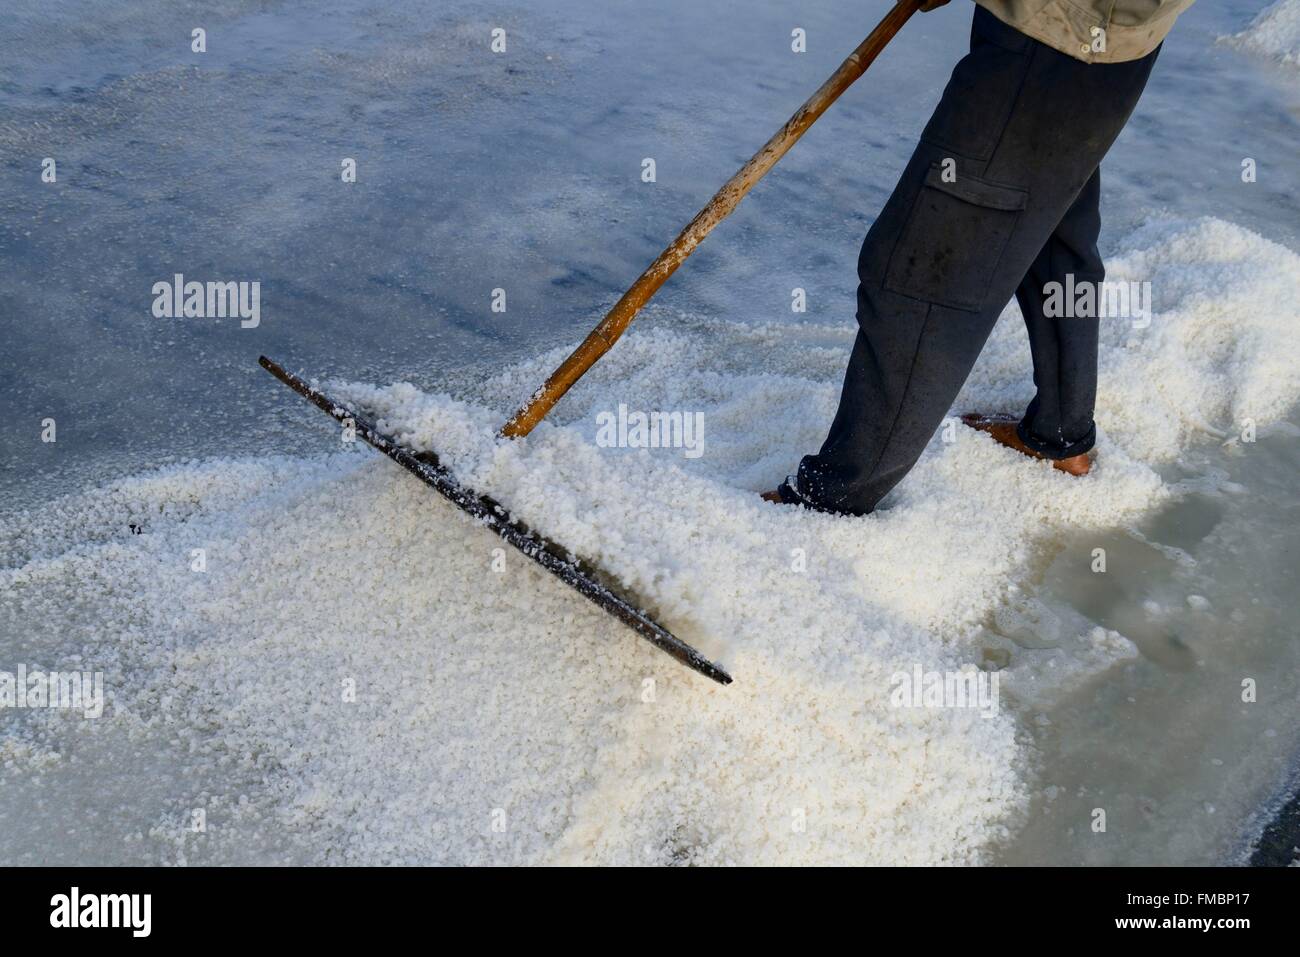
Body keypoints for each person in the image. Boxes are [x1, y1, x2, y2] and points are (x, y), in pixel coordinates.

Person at [764, 0, 1194, 514]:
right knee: (1053, 218)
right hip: (1102, 40)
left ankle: (828, 505)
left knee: (922, 271)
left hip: (1058, 32)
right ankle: (1061, 433)